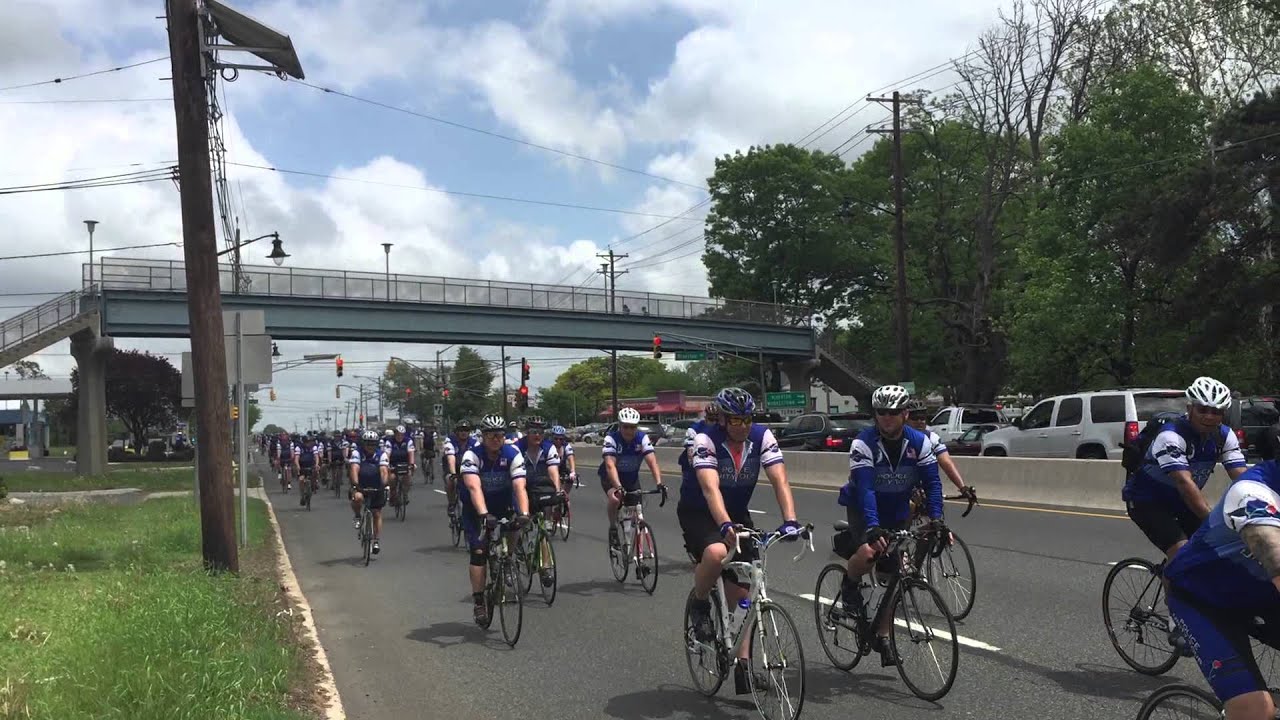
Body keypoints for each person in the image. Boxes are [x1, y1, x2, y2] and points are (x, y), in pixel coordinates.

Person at [681, 387, 800, 695]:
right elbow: (710, 490)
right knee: (717, 552)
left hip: (736, 513)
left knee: (746, 592)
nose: (742, 426)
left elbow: (779, 478)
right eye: (734, 420)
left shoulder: (762, 437)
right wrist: (723, 525)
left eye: (746, 419)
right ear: (721, 419)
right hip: (700, 512)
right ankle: (699, 601)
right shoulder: (704, 439)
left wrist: (790, 521)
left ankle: (743, 669)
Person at [1163, 442, 1280, 720]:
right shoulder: (1252, 495)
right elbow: (1274, 556)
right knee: (1255, 709)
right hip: (1203, 601)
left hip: (1260, 598)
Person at [838, 384, 945, 667]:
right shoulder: (863, 442)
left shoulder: (920, 442)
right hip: (864, 508)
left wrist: (937, 520)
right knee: (870, 552)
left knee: (898, 573)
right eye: (881, 412)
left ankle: (883, 636)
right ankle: (849, 584)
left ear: (905, 414)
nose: (887, 417)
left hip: (897, 507)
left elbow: (933, 483)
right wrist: (873, 528)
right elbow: (866, 489)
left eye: (893, 412)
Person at [1123, 376, 1247, 562]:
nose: (1209, 416)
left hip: (1182, 503)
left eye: (1216, 411)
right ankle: (1174, 590)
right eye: (1202, 410)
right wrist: (1213, 522)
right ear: (1190, 408)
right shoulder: (1171, 436)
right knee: (1181, 555)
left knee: (1217, 551)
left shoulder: (1224, 436)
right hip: (1147, 502)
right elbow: (1184, 483)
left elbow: (1243, 478)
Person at [460, 415, 530, 626]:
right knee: (479, 552)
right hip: (476, 509)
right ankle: (479, 601)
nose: (496, 439)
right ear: (483, 437)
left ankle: (508, 559)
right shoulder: (472, 455)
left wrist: (525, 514)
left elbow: (519, 486)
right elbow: (474, 487)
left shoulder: (512, 453)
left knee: (516, 522)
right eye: (491, 436)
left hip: (503, 504)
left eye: (499, 435)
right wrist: (484, 514)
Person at [599, 407, 664, 549]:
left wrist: (659, 483)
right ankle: (613, 527)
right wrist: (618, 487)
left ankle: (635, 544)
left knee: (637, 508)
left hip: (631, 478)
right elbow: (610, 466)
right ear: (620, 426)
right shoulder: (611, 438)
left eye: (633, 427)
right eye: (626, 427)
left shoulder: (642, 438)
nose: (629, 431)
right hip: (610, 478)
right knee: (615, 499)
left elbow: (652, 461)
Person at [514, 416, 563, 584]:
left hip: (539, 487)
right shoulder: (517, 448)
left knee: (541, 528)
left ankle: (545, 566)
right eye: (533, 432)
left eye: (541, 432)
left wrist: (557, 492)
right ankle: (518, 546)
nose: (537, 435)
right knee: (522, 519)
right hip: (520, 486)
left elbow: (553, 472)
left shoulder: (549, 448)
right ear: (527, 432)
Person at [906, 399, 974, 501]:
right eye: (914, 418)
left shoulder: (932, 438)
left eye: (922, 418)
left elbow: (946, 462)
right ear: (904, 419)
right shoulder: (897, 439)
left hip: (925, 489)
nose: (919, 422)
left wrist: (962, 487)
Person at [348, 430, 389, 555]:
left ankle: (376, 540)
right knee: (358, 498)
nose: (370, 446)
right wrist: (355, 484)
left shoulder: (382, 454)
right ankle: (357, 516)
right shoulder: (357, 453)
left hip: (376, 485)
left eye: (373, 444)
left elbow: (384, 470)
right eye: (368, 443)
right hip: (361, 484)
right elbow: (355, 468)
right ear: (363, 443)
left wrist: (384, 484)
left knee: (376, 513)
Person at [442, 419, 477, 514]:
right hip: (453, 468)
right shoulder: (450, 441)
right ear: (457, 431)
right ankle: (451, 504)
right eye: (461, 430)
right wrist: (453, 474)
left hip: (468, 468)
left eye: (466, 430)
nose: (463, 433)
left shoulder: (474, 442)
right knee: (450, 481)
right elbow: (451, 458)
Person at [385, 425, 416, 504]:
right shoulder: (390, 441)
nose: (400, 436)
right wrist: (387, 465)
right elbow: (387, 454)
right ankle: (393, 493)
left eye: (402, 434)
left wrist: (411, 464)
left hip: (404, 462)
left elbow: (411, 453)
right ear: (395, 434)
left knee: (407, 477)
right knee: (392, 478)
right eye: (398, 434)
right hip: (393, 463)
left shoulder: (408, 441)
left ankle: (405, 494)